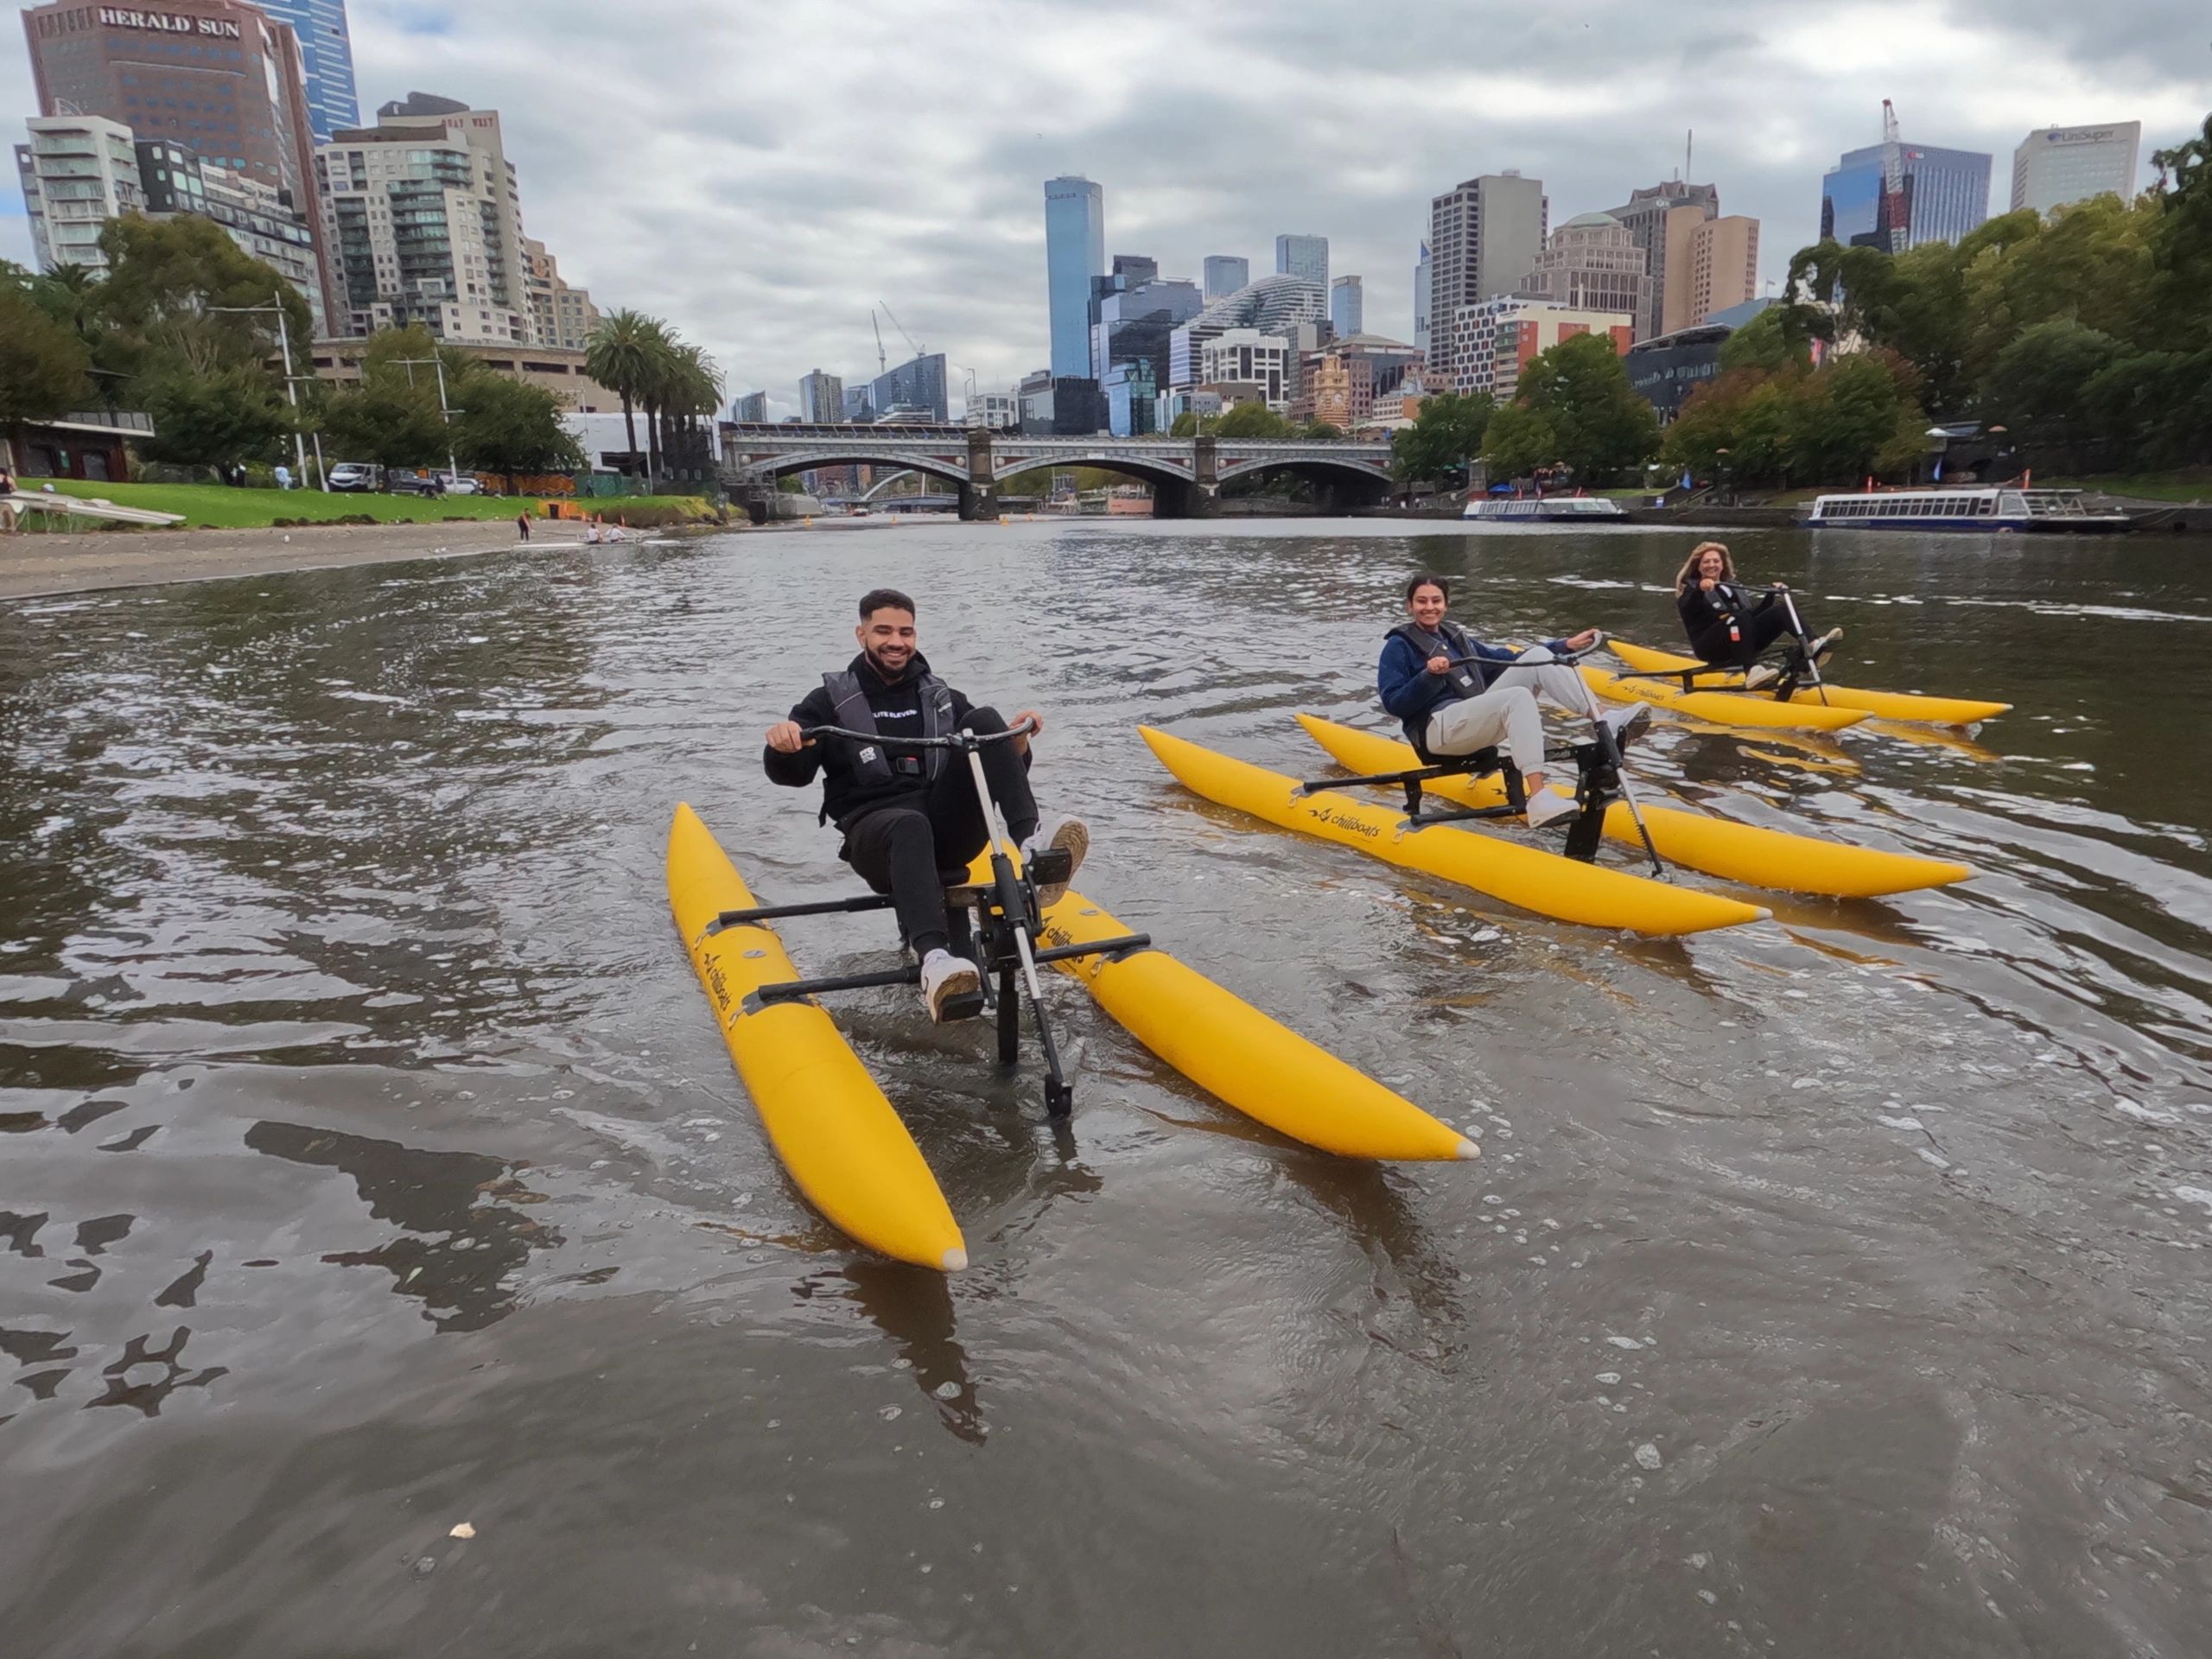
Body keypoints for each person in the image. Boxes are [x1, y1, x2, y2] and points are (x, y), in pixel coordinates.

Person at [765, 588, 1090, 1022]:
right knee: (909, 825)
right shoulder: (826, 701)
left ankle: (1033, 845)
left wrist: (1016, 744)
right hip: (876, 837)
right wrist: (783, 745)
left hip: (946, 833)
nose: (896, 641)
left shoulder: (941, 696)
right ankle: (935, 960)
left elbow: (995, 768)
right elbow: (792, 774)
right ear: (861, 634)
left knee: (985, 722)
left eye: (906, 632)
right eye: (883, 631)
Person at [1377, 572, 1642, 830]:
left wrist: (1564, 646)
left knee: (1537, 656)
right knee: (1518, 697)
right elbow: (1393, 703)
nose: (1429, 607)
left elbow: (1507, 659)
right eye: (1421, 601)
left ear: (1446, 604)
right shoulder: (1398, 646)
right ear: (1410, 605)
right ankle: (1539, 797)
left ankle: (1604, 718)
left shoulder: (1453, 636)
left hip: (1469, 722)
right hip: (1436, 731)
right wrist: (1427, 676)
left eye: (1436, 600)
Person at [1675, 542, 1841, 689]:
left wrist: (1771, 595)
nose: (1711, 565)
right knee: (1738, 618)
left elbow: (1750, 617)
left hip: (1740, 640)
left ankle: (1812, 646)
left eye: (1716, 561)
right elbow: (1687, 607)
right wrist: (1700, 590)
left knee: (1780, 609)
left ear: (1723, 564)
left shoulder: (1732, 587)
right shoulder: (1691, 590)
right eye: (1706, 562)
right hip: (1710, 648)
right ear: (1698, 566)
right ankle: (1751, 671)